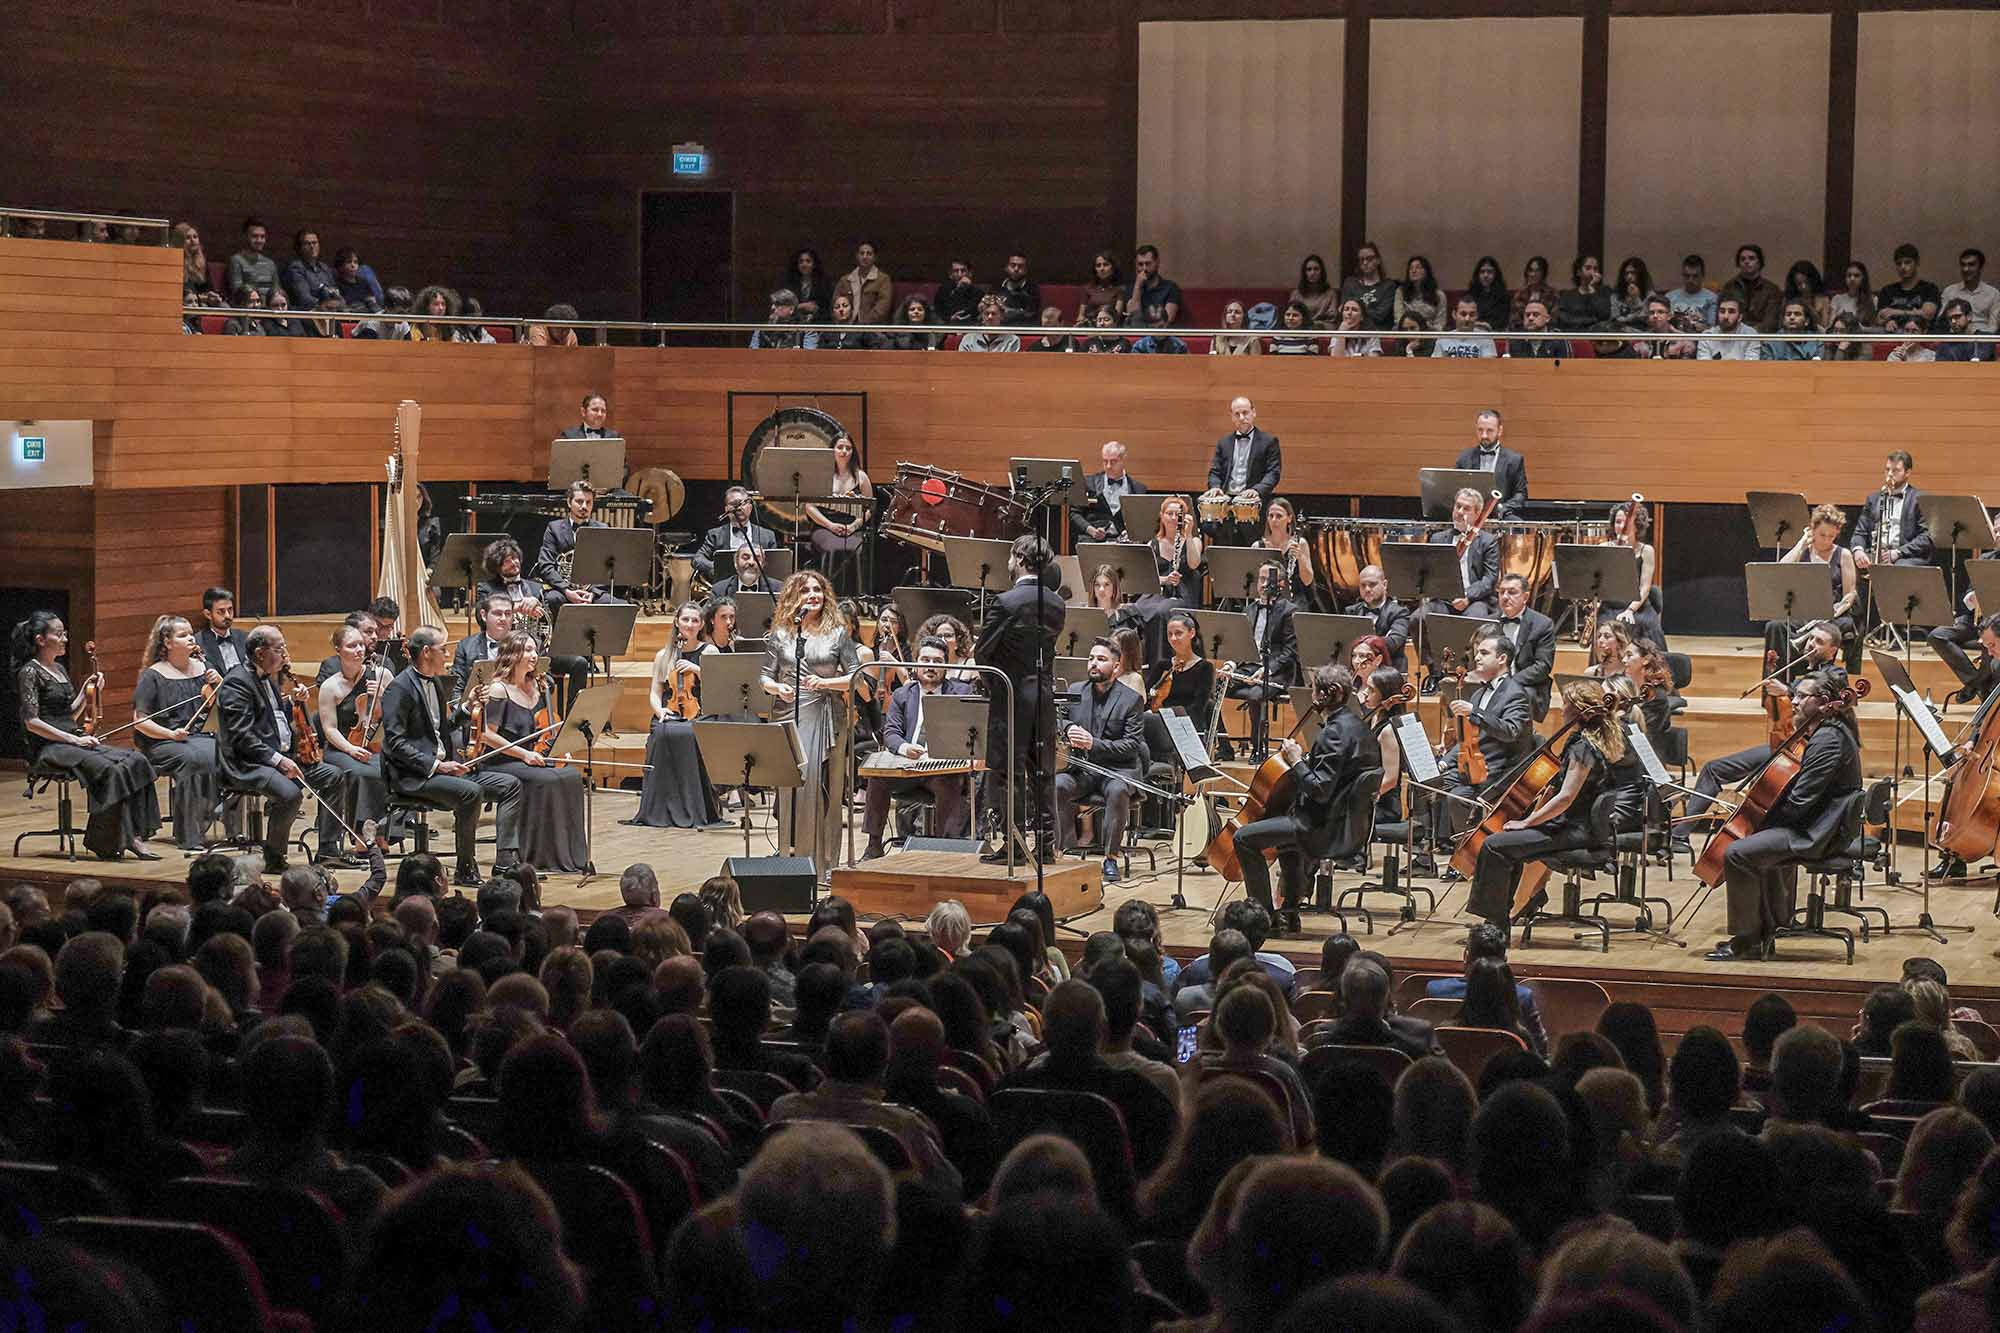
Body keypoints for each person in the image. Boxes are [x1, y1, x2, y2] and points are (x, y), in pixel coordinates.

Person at [1707, 670, 1862, 961]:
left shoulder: (1828, 740)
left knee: (1738, 853)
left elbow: (1800, 802)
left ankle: (1749, 940)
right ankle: (1768, 929)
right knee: (1757, 845)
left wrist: (1758, 817)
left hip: (1817, 833)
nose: (1794, 701)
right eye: (1795, 694)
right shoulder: (1826, 732)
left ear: (1824, 701)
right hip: (1816, 824)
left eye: (1803, 696)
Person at [1467, 679, 1636, 931]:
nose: (1561, 709)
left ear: (1578, 711)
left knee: (1494, 845)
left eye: (1566, 704)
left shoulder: (1583, 747)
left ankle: (1495, 923)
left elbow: (1565, 797)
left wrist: (1528, 822)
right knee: (1506, 845)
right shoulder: (1588, 741)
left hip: (1575, 831)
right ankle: (1499, 917)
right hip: (1572, 827)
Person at [378, 625, 523, 887]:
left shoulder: (434, 683)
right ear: (425, 652)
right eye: (443, 649)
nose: (447, 654)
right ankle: (465, 868)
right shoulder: (399, 689)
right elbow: (395, 743)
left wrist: (468, 706)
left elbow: (442, 727)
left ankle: (504, 862)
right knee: (470, 793)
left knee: (509, 785)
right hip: (412, 775)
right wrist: (437, 766)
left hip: (442, 767)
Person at [1232, 666, 1373, 933]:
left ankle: (1264, 919)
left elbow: (1320, 789)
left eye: (1315, 690)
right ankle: (1290, 913)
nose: (1312, 695)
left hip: (1321, 829)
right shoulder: (1359, 727)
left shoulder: (1333, 733)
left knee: (1244, 838)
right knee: (1286, 838)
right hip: (1347, 826)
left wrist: (1296, 760)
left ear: (1330, 694)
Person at [12, 613, 161, 862]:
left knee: (136, 760)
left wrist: (86, 692)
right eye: (58, 634)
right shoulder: (29, 672)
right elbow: (32, 722)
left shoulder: (58, 669)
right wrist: (73, 740)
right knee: (110, 769)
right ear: (40, 639)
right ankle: (107, 841)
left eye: (65, 633)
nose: (65, 639)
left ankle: (133, 834)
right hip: (49, 747)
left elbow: (68, 714)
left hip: (70, 738)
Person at [213, 624, 348, 873]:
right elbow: (242, 737)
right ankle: (274, 857)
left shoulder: (270, 679)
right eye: (279, 648)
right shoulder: (237, 684)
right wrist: (278, 760)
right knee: (289, 794)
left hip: (280, 757)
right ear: (260, 652)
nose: (285, 653)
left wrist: (295, 705)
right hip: (247, 763)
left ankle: (329, 850)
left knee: (333, 776)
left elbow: (275, 720)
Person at [1687, 618, 1843, 821]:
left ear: (1833, 651)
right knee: (1713, 769)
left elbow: (1832, 690)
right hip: (1786, 745)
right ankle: (1679, 836)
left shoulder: (1836, 674)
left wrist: (1788, 690)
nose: (1811, 644)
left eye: (1820, 641)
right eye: (1811, 638)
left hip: (1806, 751)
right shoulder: (1802, 677)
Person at [973, 534, 1065, 862]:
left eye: (1012, 557)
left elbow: (982, 652)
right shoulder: (1057, 603)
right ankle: (1044, 847)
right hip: (1043, 697)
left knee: (1009, 773)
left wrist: (992, 683)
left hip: (1011, 698)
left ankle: (1014, 847)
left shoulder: (1007, 602)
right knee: (1042, 773)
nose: (1009, 563)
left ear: (1020, 558)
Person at [762, 572, 861, 872]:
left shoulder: (838, 634)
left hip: (826, 714)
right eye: (805, 590)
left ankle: (824, 864)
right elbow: (765, 676)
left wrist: (827, 684)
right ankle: (790, 863)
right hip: (788, 714)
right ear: (794, 597)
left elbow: (857, 675)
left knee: (822, 790)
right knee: (790, 789)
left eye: (818, 590)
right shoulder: (781, 634)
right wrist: (778, 688)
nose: (813, 595)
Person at [1420, 633, 1536, 876]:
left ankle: (1473, 855)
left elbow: (1511, 731)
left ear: (1502, 658)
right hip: (1472, 770)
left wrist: (1477, 713)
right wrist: (1444, 762)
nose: (1477, 657)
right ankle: (1426, 855)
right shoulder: (1479, 694)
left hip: (1499, 774)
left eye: (1484, 653)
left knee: (1457, 797)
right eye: (1478, 652)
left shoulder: (1516, 693)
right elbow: (1466, 740)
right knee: (1425, 784)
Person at [475, 633, 588, 872]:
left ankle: (565, 854)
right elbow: (487, 735)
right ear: (512, 654)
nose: (534, 655)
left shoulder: (540, 685)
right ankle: (537, 854)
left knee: (570, 776)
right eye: (527, 650)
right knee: (546, 779)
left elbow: (548, 727)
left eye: (534, 650)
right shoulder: (498, 690)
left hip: (534, 756)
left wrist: (560, 749)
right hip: (503, 759)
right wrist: (524, 755)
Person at [862, 636, 974, 859]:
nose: (931, 667)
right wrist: (905, 748)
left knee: (949, 782)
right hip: (909, 768)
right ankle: (873, 844)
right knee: (877, 778)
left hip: (943, 769)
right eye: (926, 660)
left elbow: (971, 733)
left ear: (946, 665)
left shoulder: (962, 692)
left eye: (937, 661)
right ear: (916, 663)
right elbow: (891, 733)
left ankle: (945, 848)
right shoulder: (903, 694)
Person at [130, 614, 225, 851]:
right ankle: (189, 834)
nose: (191, 638)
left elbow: (222, 706)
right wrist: (170, 734)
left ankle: (220, 818)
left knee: (226, 751)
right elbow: (140, 721)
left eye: (191, 633)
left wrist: (220, 683)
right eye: (183, 635)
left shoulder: (205, 668)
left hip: (199, 736)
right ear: (168, 643)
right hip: (162, 741)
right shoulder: (153, 675)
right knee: (193, 759)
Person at [1055, 638, 1147, 882]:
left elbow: (1131, 747)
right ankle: (1064, 851)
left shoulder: (1131, 700)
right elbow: (1057, 719)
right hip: (1081, 770)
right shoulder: (1075, 691)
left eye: (1102, 659)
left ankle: (1111, 858)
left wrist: (1093, 743)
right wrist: (1068, 729)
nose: (1094, 663)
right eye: (1091, 658)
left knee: (1117, 791)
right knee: (1057, 785)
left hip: (1117, 770)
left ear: (1117, 667)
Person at [632, 602, 722, 830]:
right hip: (670, 712)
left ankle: (694, 807)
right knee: (662, 733)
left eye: (694, 621)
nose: (690, 625)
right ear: (676, 622)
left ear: (701, 624)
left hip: (701, 714)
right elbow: (655, 692)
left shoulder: (710, 652)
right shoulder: (664, 655)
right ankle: (660, 807)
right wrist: (659, 710)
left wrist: (697, 669)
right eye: (685, 620)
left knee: (689, 733)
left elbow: (721, 687)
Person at [314, 622, 391, 851]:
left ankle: (381, 832)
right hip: (340, 749)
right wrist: (350, 749)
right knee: (361, 772)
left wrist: (383, 695)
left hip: (375, 745)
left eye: (360, 644)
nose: (359, 649)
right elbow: (329, 729)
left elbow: (397, 714)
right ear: (338, 650)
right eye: (351, 645)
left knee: (386, 768)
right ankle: (358, 833)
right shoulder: (330, 686)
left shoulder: (382, 675)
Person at [1777, 504, 1860, 655]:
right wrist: (1801, 543)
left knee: (1836, 626)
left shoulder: (1844, 555)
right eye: (1822, 535)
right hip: (1802, 611)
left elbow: (1850, 594)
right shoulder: (1802, 551)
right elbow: (1781, 570)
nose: (1827, 540)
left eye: (1831, 536)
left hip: (1832, 613)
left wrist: (1834, 612)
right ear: (1812, 530)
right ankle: (1776, 674)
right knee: (1775, 626)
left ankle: (1810, 668)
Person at [533, 480, 625, 607]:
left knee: (620, 605)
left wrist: (593, 592)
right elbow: (546, 565)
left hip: (592, 590)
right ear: (569, 502)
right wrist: (567, 590)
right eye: (579, 501)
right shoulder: (554, 528)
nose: (584, 507)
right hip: (563, 590)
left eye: (588, 502)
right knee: (552, 599)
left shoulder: (602, 528)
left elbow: (608, 567)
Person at [800, 434, 873, 584]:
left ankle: (857, 596)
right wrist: (830, 526)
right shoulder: (821, 475)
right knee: (833, 548)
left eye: (848, 448)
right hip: (824, 526)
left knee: (856, 550)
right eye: (840, 447)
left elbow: (869, 508)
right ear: (832, 450)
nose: (844, 451)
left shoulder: (861, 477)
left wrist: (854, 526)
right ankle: (828, 592)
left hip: (853, 527)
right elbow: (809, 506)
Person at [1850, 448, 1933, 575]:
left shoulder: (1919, 499)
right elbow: (1859, 532)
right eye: (1887, 469)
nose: (1889, 474)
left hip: (1905, 557)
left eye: (1895, 470)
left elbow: (1926, 537)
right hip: (1877, 555)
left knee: (1898, 568)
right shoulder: (1874, 499)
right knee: (1849, 561)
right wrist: (1858, 551)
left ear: (1907, 472)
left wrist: (1897, 553)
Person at [1425, 486, 1502, 621]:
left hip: (1475, 600)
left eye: (1466, 508)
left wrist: (1467, 596)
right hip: (1444, 600)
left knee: (1475, 618)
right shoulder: (1437, 539)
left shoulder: (1488, 541)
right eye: (1458, 506)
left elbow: (1489, 579)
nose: (1460, 512)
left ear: (1478, 514)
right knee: (1418, 618)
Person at [1601, 495, 1668, 648]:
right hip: (1611, 606)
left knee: (1645, 624)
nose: (1621, 525)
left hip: (1639, 606)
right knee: (1608, 627)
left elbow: (1644, 587)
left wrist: (1630, 610)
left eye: (1626, 522)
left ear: (1637, 525)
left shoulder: (1646, 551)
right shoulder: (1605, 547)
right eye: (1618, 522)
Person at [1491, 573, 1557, 721]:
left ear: (1525, 597)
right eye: (1502, 592)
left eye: (1512, 592)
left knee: (1516, 696)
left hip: (1526, 684)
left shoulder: (1542, 624)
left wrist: (1509, 683)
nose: (1505, 596)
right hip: (1493, 682)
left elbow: (1542, 666)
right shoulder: (1488, 622)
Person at [692, 484, 780, 580]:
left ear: (750, 508)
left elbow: (774, 566)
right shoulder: (715, 535)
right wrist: (717, 567)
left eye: (742, 504)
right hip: (725, 586)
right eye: (734, 504)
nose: (738, 508)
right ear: (726, 510)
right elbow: (697, 559)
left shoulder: (767, 536)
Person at [1208, 395, 1283, 503]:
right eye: (1237, 414)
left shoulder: (1269, 441)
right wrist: (1215, 486)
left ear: (1254, 412)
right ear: (1232, 417)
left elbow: (1273, 473)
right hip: (1226, 500)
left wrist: (1257, 490)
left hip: (1254, 501)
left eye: (1245, 412)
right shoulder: (1223, 443)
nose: (1242, 417)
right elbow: (1215, 471)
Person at [1072, 439, 1149, 543]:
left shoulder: (1139, 489)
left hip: (1124, 542)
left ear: (1123, 460)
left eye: (1113, 462)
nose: (1108, 466)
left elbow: (1141, 521)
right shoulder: (1089, 483)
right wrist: (1091, 530)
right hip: (1091, 540)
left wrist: (1130, 533)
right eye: (1105, 461)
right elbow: (1074, 513)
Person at [1456, 408, 1529, 518]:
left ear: (1500, 431)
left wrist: (1501, 508)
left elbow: (1521, 495)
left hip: (1501, 516)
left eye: (1489, 431)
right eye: (1480, 430)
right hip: (1470, 516)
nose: (1484, 435)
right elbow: (1457, 490)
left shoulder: (1514, 460)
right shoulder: (1464, 458)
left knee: (1517, 524)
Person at [1347, 564, 1412, 671]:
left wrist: (1368, 643)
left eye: (1372, 584)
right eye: (1363, 585)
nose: (1367, 589)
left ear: (1385, 584)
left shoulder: (1400, 612)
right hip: (1357, 673)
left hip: (1389, 673)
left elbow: (1393, 642)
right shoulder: (1351, 611)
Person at [1720, 243, 1784, 333]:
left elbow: (1771, 321)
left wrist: (1750, 334)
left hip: (1762, 338)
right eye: (1742, 259)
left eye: (1751, 258)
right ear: (1738, 264)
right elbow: (1721, 318)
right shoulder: (1729, 287)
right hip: (1733, 337)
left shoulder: (1772, 289)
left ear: (1759, 262)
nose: (1746, 261)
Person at [1877, 241, 1941, 328]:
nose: (1903, 267)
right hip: (1894, 336)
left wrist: (1894, 312)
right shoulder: (1887, 290)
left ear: (1917, 262)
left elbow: (1928, 314)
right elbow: (1880, 317)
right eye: (1899, 263)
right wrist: (1888, 322)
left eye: (1907, 262)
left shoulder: (1929, 288)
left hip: (1921, 337)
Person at [1339, 241, 1397, 328]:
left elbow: (1380, 315)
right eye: (1361, 259)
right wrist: (1362, 312)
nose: (1365, 263)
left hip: (1377, 331)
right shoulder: (1350, 283)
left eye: (1369, 259)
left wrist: (1357, 312)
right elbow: (1344, 311)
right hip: (1352, 330)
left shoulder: (1388, 285)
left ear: (1378, 260)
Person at [1942, 247, 2000, 332]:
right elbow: (1943, 322)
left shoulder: (1993, 294)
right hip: (1955, 338)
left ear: (1981, 268)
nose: (1966, 269)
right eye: (1963, 265)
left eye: (1971, 265)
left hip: (1982, 340)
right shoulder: (1949, 291)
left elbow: (1993, 326)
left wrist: (1978, 336)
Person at [195, 586, 250, 674]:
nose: (228, 615)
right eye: (221, 611)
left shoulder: (246, 637)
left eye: (230, 609)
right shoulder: (198, 643)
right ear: (208, 614)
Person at [839, 241, 892, 326]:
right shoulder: (845, 281)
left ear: (875, 257)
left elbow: (882, 308)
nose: (865, 257)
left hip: (872, 329)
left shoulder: (883, 280)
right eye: (862, 253)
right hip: (846, 327)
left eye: (869, 254)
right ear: (857, 256)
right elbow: (835, 305)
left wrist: (863, 325)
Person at [226, 216, 278, 302]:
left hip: (270, 309)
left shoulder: (270, 263)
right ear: (245, 237)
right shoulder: (236, 260)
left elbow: (277, 290)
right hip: (249, 307)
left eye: (262, 237)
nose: (259, 240)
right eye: (254, 236)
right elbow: (237, 292)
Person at [1128, 243, 1183, 326]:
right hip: (1138, 333)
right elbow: (1132, 317)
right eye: (1140, 264)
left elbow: (1168, 319)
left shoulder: (1171, 287)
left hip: (1160, 334)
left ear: (1157, 263)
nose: (1144, 268)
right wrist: (1138, 286)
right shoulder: (1132, 288)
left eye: (1148, 263)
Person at [1554, 254, 1611, 331]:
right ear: (1578, 272)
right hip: (1574, 335)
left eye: (1595, 269)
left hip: (1597, 336)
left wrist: (1593, 290)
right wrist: (1593, 320)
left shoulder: (1604, 292)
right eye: (1588, 268)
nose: (1592, 272)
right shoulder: (1567, 295)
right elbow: (1564, 320)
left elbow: (1605, 316)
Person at [1434, 296, 1499, 358]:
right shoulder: (1442, 339)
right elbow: (1435, 366)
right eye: (1463, 314)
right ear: (1454, 314)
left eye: (1472, 314)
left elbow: (1489, 367)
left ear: (1477, 316)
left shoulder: (1486, 338)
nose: (1467, 319)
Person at [1288, 253, 1339, 327]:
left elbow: (1332, 318)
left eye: (1316, 269)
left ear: (1322, 272)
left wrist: (1312, 323)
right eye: (1309, 269)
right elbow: (1291, 316)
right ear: (1304, 273)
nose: (1312, 273)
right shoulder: (1296, 294)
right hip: (1301, 328)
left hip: (1322, 328)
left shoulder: (1331, 294)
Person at [782, 246, 827, 323]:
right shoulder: (789, 282)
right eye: (801, 261)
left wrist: (816, 309)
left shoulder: (823, 283)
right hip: (793, 323)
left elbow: (826, 307)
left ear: (814, 264)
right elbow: (783, 307)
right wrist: (802, 306)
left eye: (808, 261)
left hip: (817, 323)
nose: (804, 264)